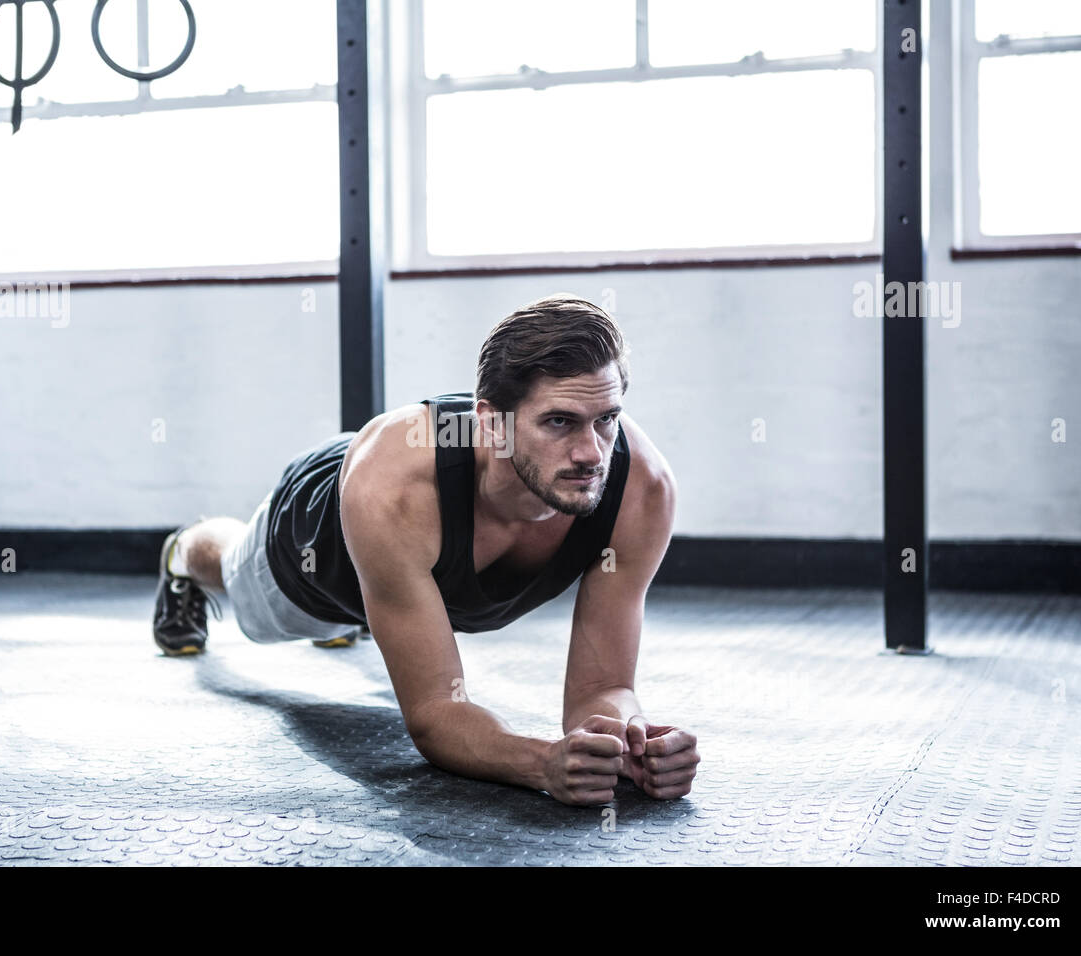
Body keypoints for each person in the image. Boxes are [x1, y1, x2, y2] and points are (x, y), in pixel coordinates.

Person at [151, 293, 699, 806]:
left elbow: (604, 687)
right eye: (559, 421)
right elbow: (436, 713)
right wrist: (541, 763)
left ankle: (380, 599)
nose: (591, 453)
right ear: (491, 425)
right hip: (313, 545)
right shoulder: (394, 492)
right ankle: (182, 551)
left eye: (606, 420)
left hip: (398, 542)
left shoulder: (641, 491)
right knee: (240, 579)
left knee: (391, 598)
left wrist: (628, 738)